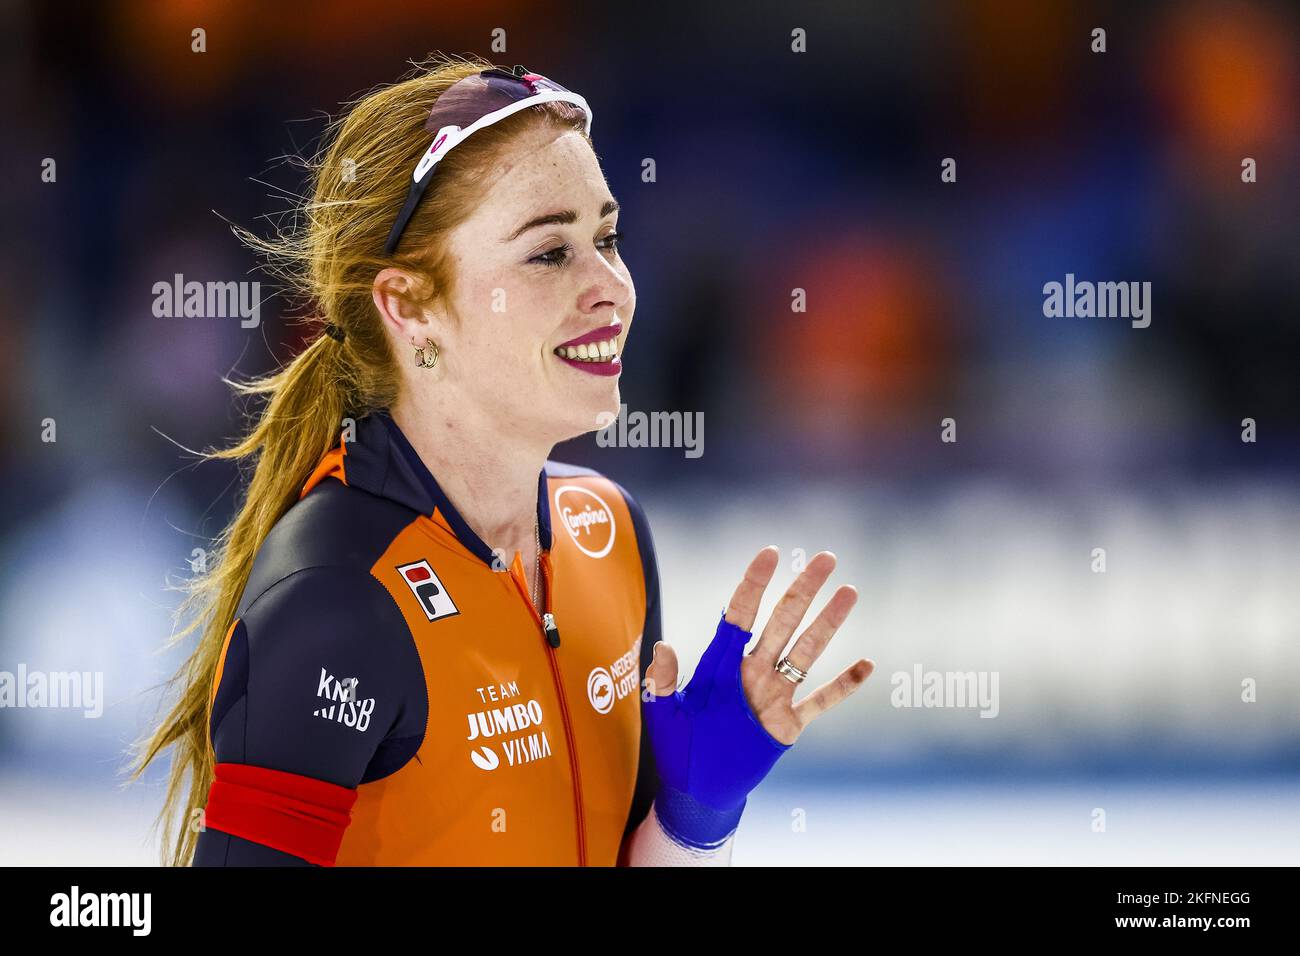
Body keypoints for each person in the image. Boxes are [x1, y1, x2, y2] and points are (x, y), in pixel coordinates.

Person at [130, 54, 874, 867]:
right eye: (550, 253)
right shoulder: (336, 601)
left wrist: (694, 820)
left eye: (607, 237)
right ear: (410, 306)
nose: (613, 288)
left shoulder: (611, 531)